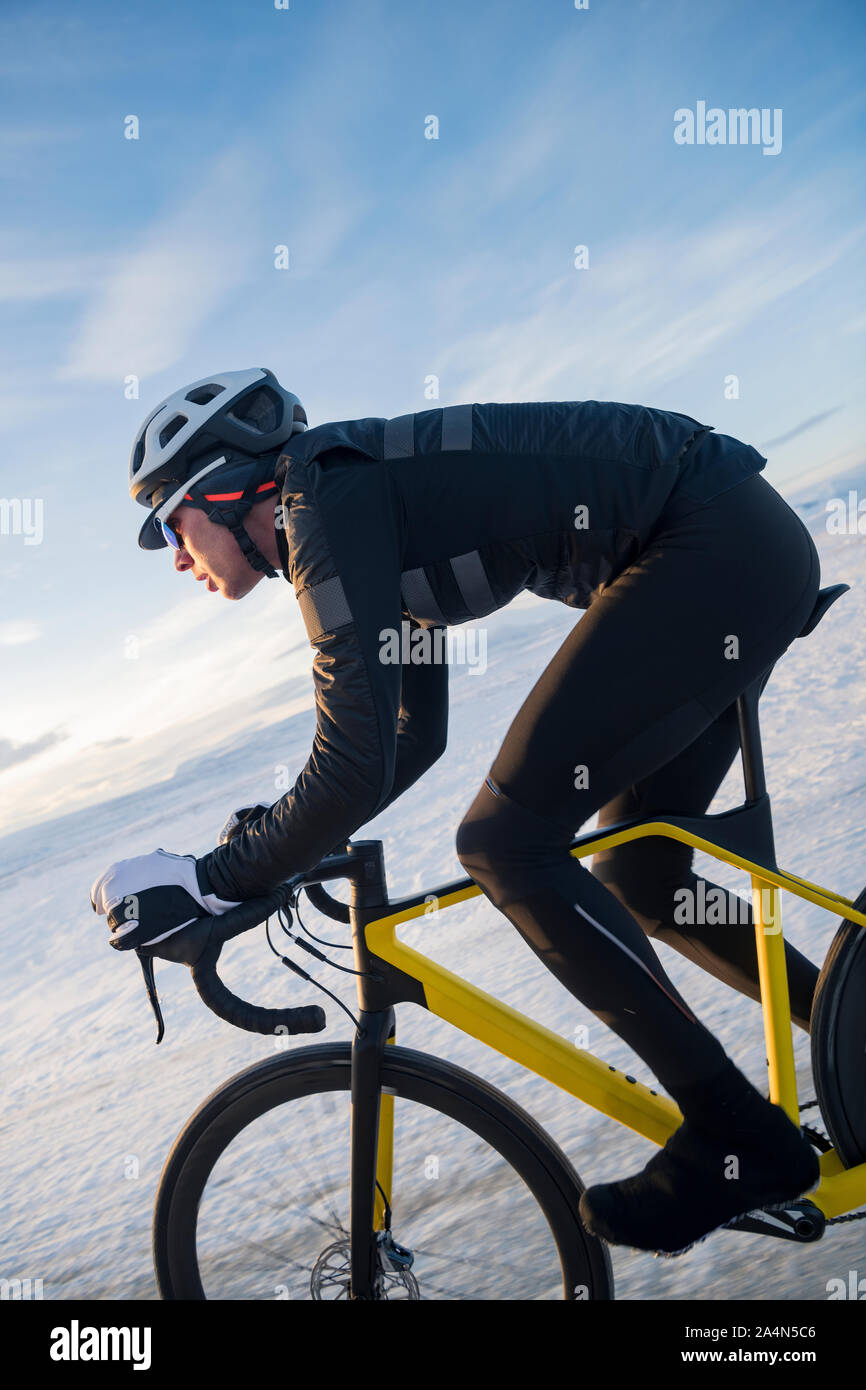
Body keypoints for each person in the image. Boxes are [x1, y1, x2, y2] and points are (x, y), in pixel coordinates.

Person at [91, 367, 822, 1255]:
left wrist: (210, 879)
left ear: (224, 491)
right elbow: (406, 738)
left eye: (171, 525)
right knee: (639, 877)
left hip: (710, 545)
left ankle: (740, 1136)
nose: (175, 558)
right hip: (734, 545)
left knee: (504, 843)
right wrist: (277, 846)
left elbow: (354, 764)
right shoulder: (351, 502)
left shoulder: (322, 500)